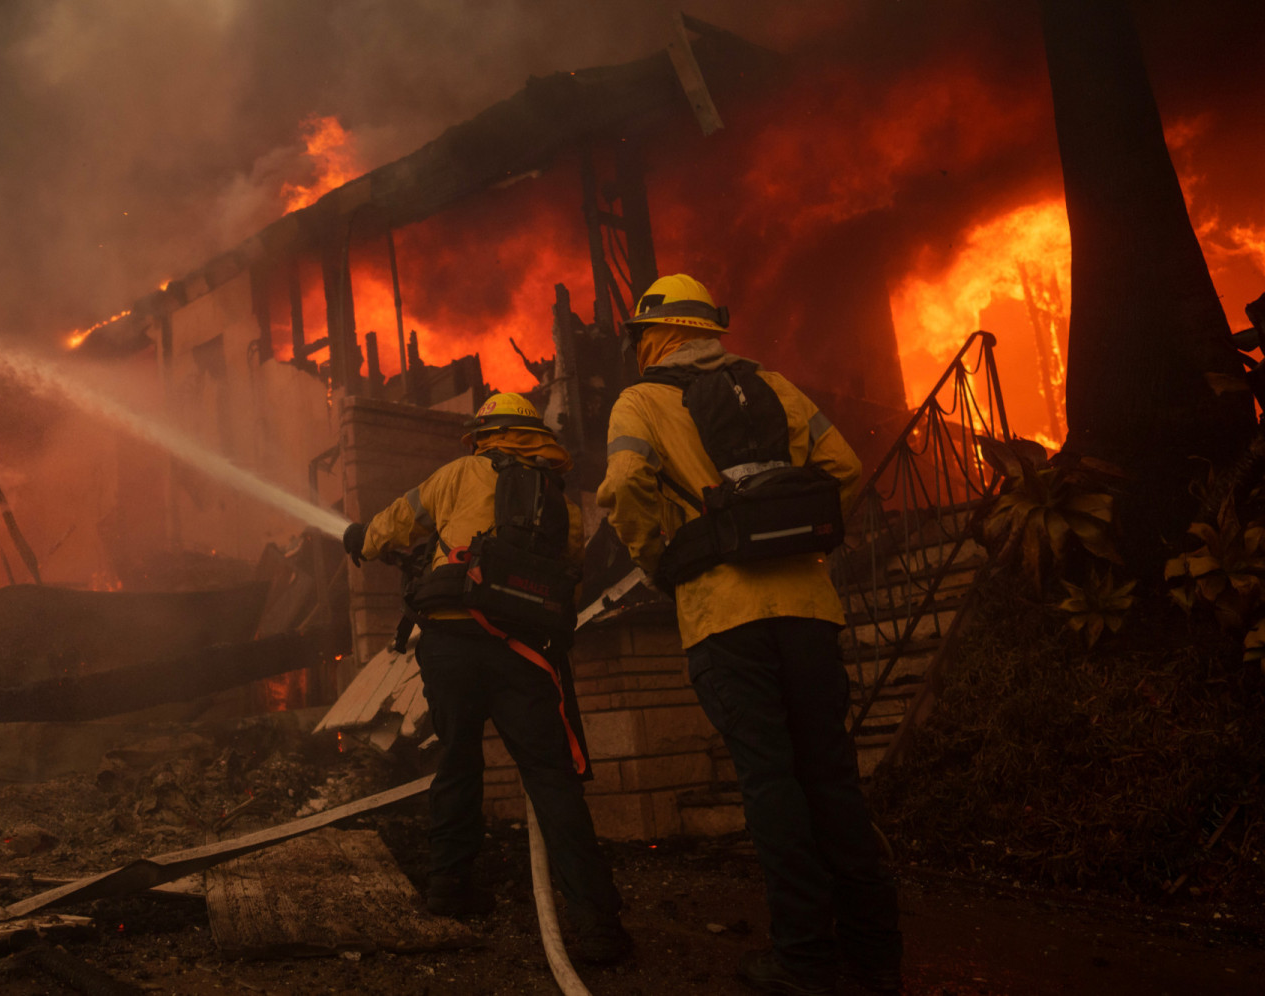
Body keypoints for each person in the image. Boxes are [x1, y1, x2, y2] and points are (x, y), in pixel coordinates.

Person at [597, 274, 903, 995]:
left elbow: (625, 487)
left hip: (724, 618)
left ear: (653, 335)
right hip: (809, 609)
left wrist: (662, 559)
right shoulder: (774, 386)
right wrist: (805, 535)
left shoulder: (640, 400)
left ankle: (804, 960)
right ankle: (875, 957)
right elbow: (844, 468)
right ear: (708, 328)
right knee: (832, 781)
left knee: (771, 788)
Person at [342, 392, 632, 966]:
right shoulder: (560, 502)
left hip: (450, 643)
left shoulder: (459, 473)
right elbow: (570, 577)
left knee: (457, 761)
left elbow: (396, 521)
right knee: (551, 779)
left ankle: (449, 888)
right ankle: (599, 926)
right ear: (534, 438)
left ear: (483, 435)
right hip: (523, 651)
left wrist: (361, 538)